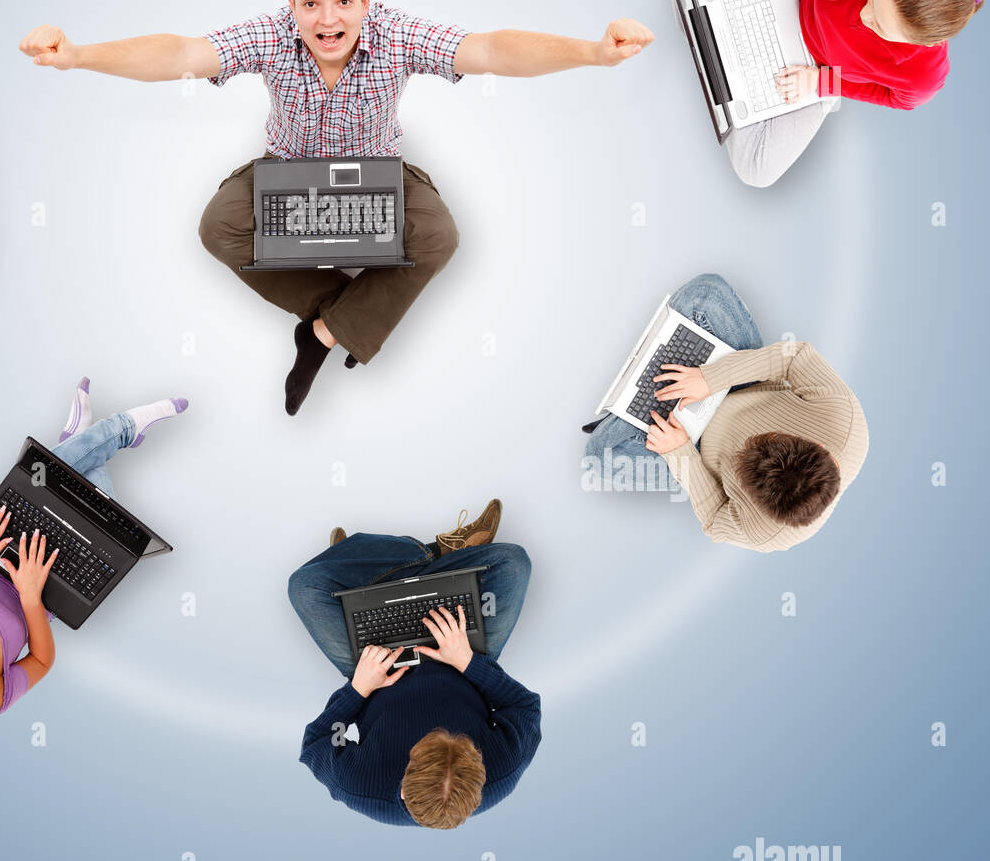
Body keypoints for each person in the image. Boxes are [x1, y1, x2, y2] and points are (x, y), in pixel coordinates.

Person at [18, 0, 654, 413]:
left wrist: (593, 52)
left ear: (366, 1)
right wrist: (77, 55)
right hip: (287, 175)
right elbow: (183, 54)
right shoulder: (271, 35)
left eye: (344, 1)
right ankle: (342, 316)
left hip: (376, 179)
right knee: (218, 229)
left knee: (439, 238)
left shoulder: (396, 32)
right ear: (290, 4)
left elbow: (488, 49)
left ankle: (320, 332)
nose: (328, 20)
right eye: (311, 3)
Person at [0, 384, 187, 730]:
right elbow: (41, 660)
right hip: (45, 588)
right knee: (101, 512)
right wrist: (30, 597)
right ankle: (84, 436)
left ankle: (122, 429)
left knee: (40, 476)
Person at [287, 501, 540, 828]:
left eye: (432, 738)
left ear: (403, 784)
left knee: (304, 586)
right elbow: (525, 707)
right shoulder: (502, 769)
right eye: (456, 737)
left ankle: (370, 569)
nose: (438, 725)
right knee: (512, 562)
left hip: (376, 662)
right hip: (459, 651)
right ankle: (382, 567)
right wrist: (468, 663)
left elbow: (315, 743)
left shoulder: (361, 787)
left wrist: (359, 688)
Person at [664, 0, 982, 187]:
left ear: (923, 43)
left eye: (880, 26)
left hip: (813, 72)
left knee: (756, 172)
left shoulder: (925, 75)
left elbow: (896, 99)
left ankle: (706, 36)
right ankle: (710, 41)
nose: (863, 13)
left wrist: (821, 83)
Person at [582, 274, 869, 552]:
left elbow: (715, 518)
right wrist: (712, 378)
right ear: (818, 444)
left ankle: (642, 405)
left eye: (742, 459)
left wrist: (680, 453)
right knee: (707, 292)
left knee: (598, 459)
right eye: (760, 439)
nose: (744, 443)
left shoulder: (767, 534)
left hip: (696, 450)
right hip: (742, 384)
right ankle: (640, 407)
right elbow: (793, 357)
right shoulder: (845, 421)